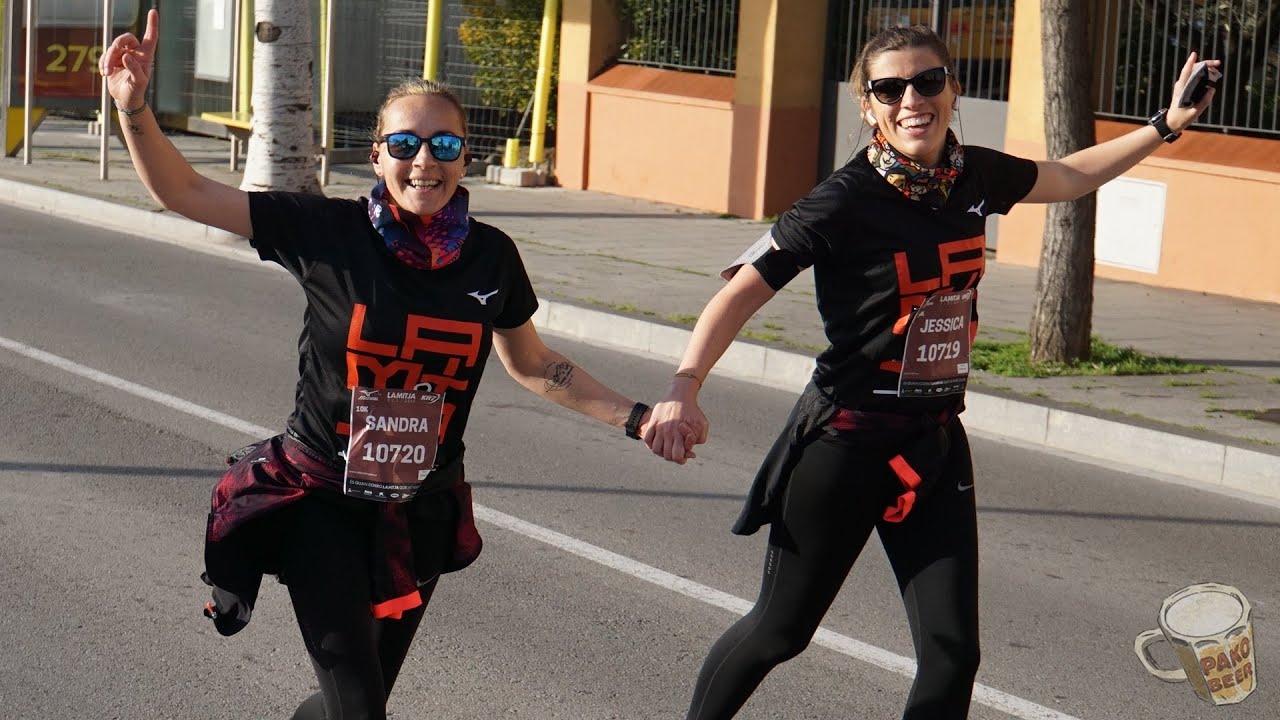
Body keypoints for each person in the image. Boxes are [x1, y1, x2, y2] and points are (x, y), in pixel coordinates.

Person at [101, 10, 693, 719]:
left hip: (419, 511)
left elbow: (536, 365)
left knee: (361, 699)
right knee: (360, 709)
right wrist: (134, 108)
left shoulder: (492, 257)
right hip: (320, 499)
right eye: (406, 143)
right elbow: (187, 193)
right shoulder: (328, 232)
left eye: (444, 143)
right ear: (377, 155)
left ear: (465, 157)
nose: (425, 161)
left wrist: (636, 417)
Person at [645, 24, 1219, 720]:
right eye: (889, 88)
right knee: (781, 632)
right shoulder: (842, 199)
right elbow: (741, 290)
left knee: (952, 653)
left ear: (954, 89)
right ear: (868, 106)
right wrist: (684, 385)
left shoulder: (973, 175)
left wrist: (1164, 125)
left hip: (934, 443)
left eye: (927, 81)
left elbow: (1072, 176)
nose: (910, 99)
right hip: (845, 443)